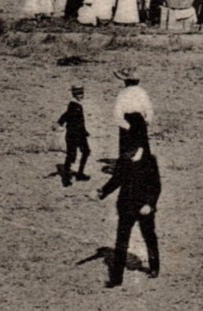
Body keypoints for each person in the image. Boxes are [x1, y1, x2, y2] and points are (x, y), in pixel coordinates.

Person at [98, 112, 161, 287]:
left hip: (143, 206)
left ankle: (154, 267)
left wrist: (150, 204)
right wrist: (102, 192)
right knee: (121, 240)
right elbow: (116, 179)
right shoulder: (125, 158)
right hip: (126, 205)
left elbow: (155, 186)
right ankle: (116, 279)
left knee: (149, 235)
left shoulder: (149, 160)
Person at [56, 85, 92, 185]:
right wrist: (60, 122)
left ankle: (78, 174)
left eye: (82, 93)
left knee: (85, 152)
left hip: (80, 134)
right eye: (78, 93)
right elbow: (67, 115)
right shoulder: (74, 105)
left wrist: (60, 122)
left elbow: (65, 115)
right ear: (74, 94)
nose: (81, 95)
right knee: (72, 155)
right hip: (74, 134)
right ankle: (66, 178)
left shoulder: (75, 105)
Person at [113, 69, 154, 155]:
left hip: (127, 120)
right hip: (140, 121)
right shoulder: (142, 92)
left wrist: (125, 125)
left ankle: (127, 166)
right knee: (141, 146)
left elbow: (117, 111)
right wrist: (146, 120)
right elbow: (148, 108)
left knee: (128, 146)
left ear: (126, 82)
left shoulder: (123, 93)